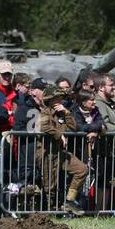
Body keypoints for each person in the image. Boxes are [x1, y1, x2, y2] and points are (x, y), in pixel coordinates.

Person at [38, 87, 88, 215]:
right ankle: (49, 213)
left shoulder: (62, 113)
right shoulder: (45, 112)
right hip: (47, 152)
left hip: (59, 152)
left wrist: (66, 113)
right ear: (50, 99)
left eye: (61, 98)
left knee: (81, 169)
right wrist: (59, 134)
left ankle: (69, 201)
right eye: (57, 98)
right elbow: (44, 127)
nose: (60, 100)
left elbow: (73, 127)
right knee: (50, 185)